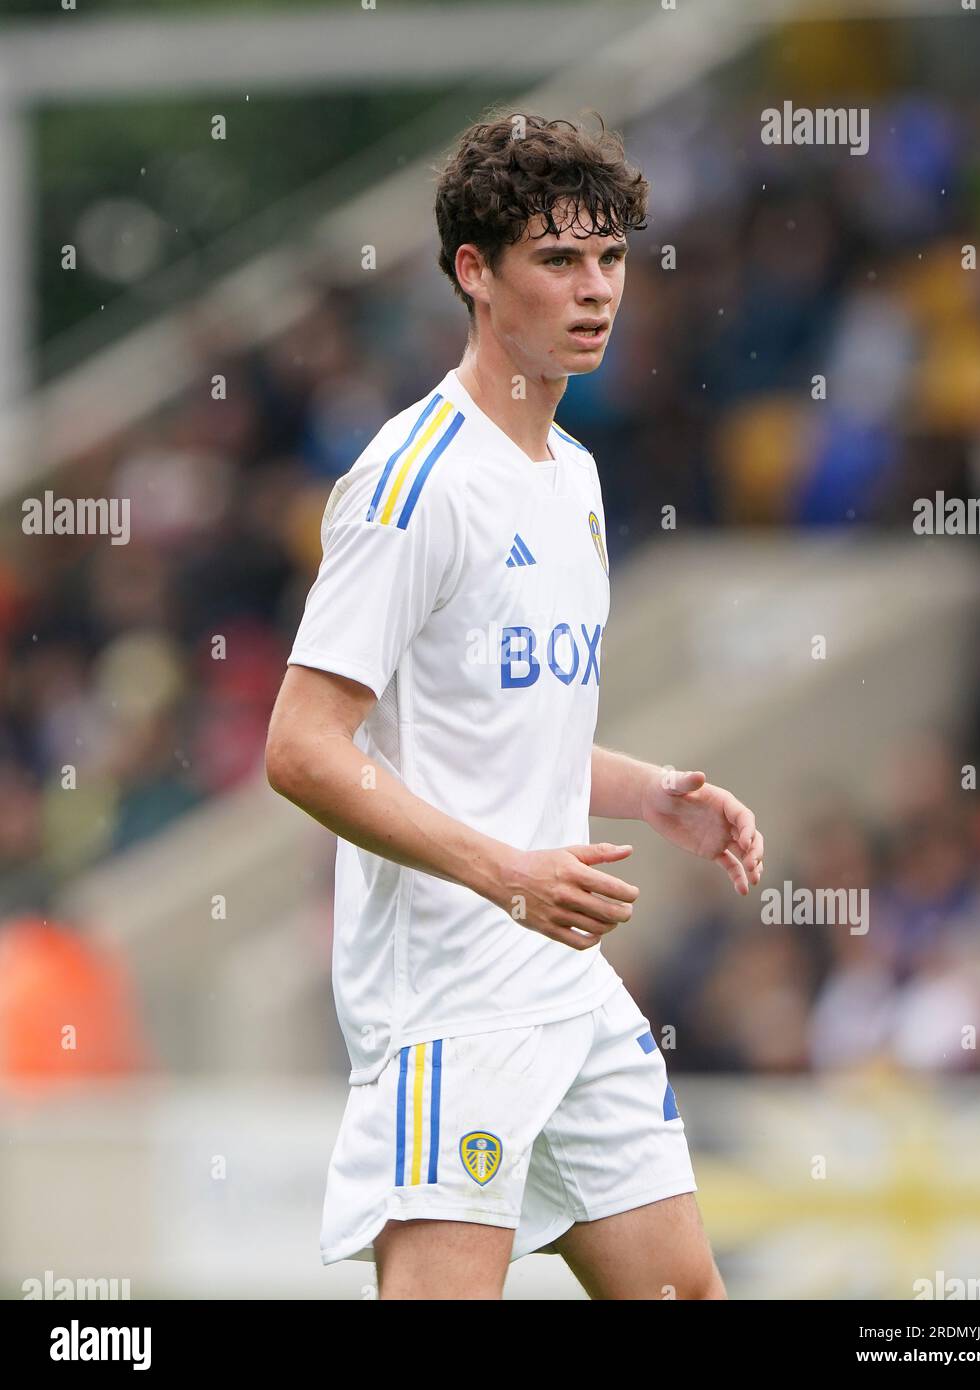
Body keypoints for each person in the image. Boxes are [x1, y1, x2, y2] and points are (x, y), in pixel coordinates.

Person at [266, 111, 764, 1300]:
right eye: (558, 261)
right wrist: (506, 872)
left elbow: (490, 714)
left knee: (684, 1291)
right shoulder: (410, 481)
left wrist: (653, 793)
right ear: (474, 274)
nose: (596, 292)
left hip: (563, 975)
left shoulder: (573, 471)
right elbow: (301, 748)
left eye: (611, 260)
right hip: (452, 997)